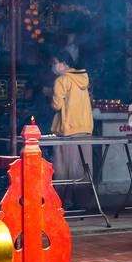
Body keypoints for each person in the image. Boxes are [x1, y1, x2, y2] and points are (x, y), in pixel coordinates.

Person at [49, 51, 94, 210]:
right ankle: (83, 203)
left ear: (63, 63)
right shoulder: (83, 79)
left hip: (67, 131)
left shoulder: (62, 80)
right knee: (83, 167)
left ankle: (62, 202)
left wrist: (49, 94)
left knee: (63, 168)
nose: (53, 67)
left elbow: (57, 105)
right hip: (85, 129)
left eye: (55, 63)